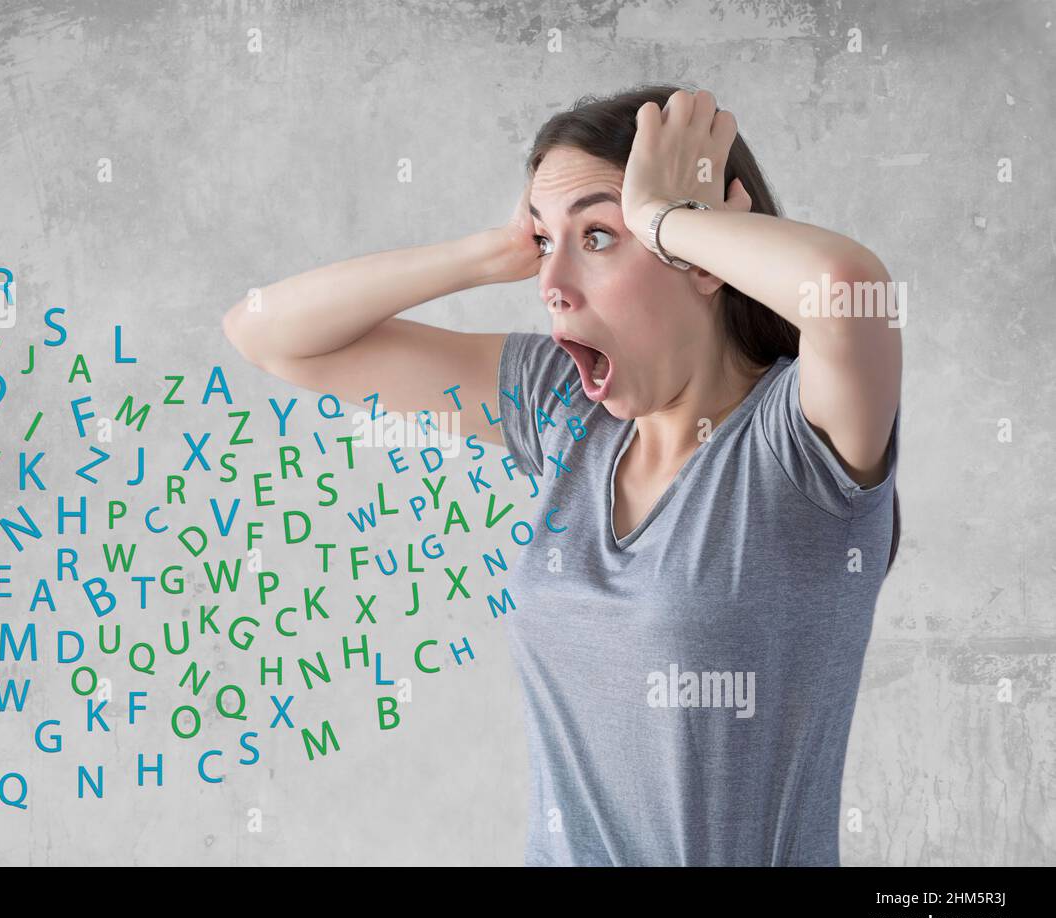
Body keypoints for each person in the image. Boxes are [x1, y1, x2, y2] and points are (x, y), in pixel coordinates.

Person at [221, 84, 902, 866]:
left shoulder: (797, 446)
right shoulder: (563, 413)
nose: (553, 283)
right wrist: (497, 250)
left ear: (703, 258)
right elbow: (268, 333)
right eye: (550, 244)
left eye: (601, 238)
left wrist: (663, 219)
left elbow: (852, 291)